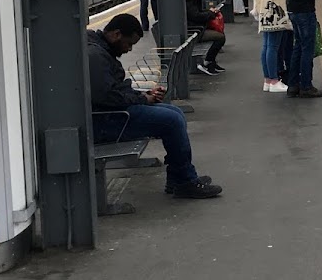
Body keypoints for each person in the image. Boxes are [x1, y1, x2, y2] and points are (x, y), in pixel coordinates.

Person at [88, 14, 222, 199]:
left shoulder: (100, 50)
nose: (129, 49)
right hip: (105, 121)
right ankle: (184, 181)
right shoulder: (95, 56)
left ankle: (177, 178)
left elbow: (112, 92)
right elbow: (107, 96)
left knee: (174, 112)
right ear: (117, 34)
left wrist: (143, 95)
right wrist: (142, 99)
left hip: (110, 113)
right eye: (129, 44)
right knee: (172, 120)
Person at [249, 0, 290, 93]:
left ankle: (268, 79)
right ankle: (273, 80)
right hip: (273, 9)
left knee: (267, 45)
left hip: (263, 8)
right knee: (273, 46)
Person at [185, 0, 225, 75]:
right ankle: (208, 61)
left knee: (218, 35)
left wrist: (208, 12)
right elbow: (195, 15)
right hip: (194, 30)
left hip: (194, 28)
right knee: (220, 37)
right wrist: (210, 13)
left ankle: (209, 61)